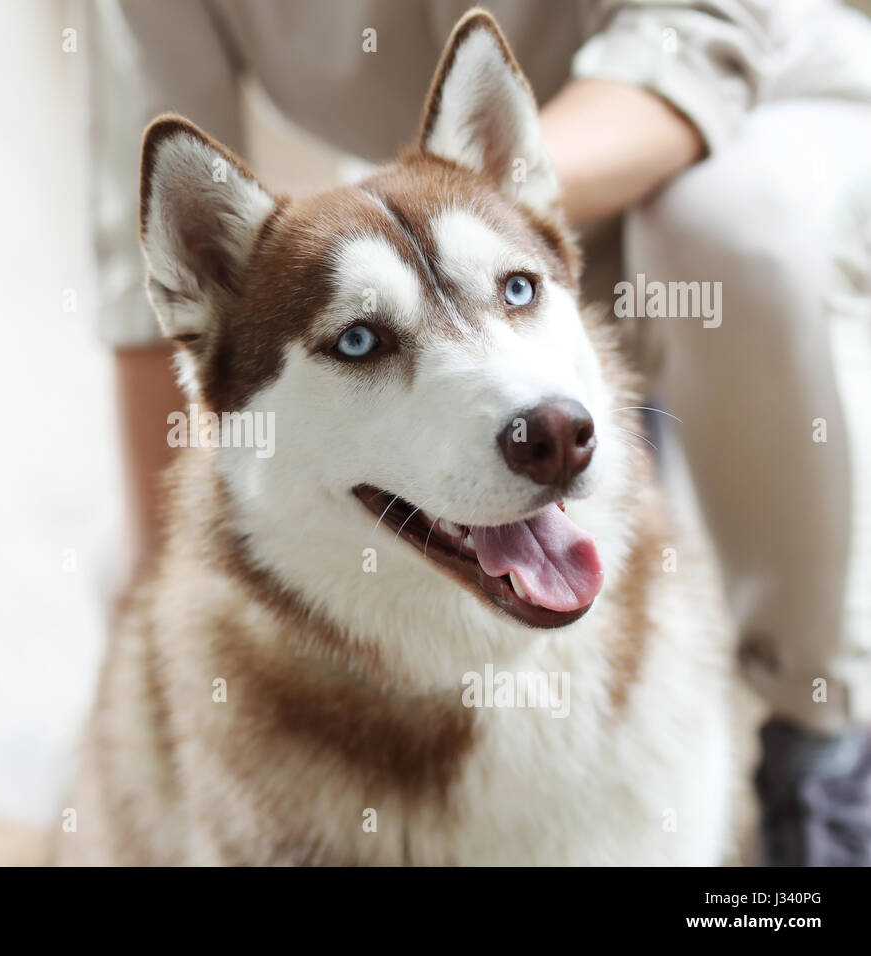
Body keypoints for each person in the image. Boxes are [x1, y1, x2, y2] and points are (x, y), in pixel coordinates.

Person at [86, 0, 871, 865]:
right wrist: (151, 600)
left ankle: (821, 737)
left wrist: (462, 193)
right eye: (360, 343)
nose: (531, 419)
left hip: (736, 107)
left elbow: (703, 23)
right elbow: (143, 273)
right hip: (462, 221)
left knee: (726, 232)